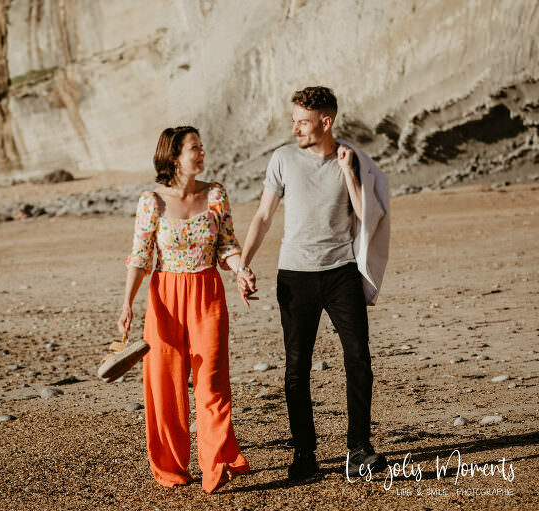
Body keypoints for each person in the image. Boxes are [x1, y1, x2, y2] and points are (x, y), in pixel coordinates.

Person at [236, 86, 390, 479]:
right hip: (295, 275)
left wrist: (347, 171)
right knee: (296, 367)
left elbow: (367, 215)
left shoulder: (350, 158)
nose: (296, 128)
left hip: (341, 272)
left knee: (359, 359)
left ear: (326, 121)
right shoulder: (283, 159)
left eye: (303, 122)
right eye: (294, 121)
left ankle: (359, 449)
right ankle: (305, 453)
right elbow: (263, 216)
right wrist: (243, 265)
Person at [117, 126, 250, 493]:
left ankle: (216, 464)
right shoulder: (152, 201)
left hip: (207, 293)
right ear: (174, 157)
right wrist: (127, 304)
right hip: (165, 298)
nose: (202, 152)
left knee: (212, 382)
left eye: (202, 147)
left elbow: (227, 245)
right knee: (165, 383)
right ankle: (171, 466)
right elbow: (140, 255)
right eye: (195, 147)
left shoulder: (216, 195)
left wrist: (242, 271)